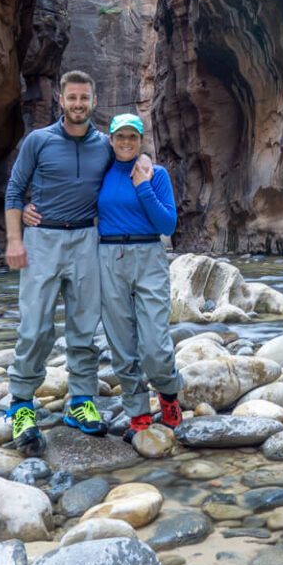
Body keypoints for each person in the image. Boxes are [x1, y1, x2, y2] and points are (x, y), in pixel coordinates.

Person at [4, 70, 113, 452]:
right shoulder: (39, 141)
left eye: (85, 98)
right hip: (42, 239)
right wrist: (15, 241)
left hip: (87, 238)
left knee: (84, 325)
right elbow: (15, 191)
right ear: (61, 101)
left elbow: (124, 177)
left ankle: (81, 403)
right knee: (35, 327)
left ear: (93, 101)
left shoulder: (106, 145)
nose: (78, 105)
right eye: (72, 98)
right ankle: (20, 405)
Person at [98, 114, 182, 438]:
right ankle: (137, 412)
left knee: (154, 346)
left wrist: (144, 186)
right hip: (108, 257)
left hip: (149, 256)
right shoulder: (101, 175)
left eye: (132, 137)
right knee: (121, 343)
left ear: (140, 140)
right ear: (111, 140)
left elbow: (167, 226)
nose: (126, 142)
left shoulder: (156, 174)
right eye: (120, 136)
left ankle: (169, 394)